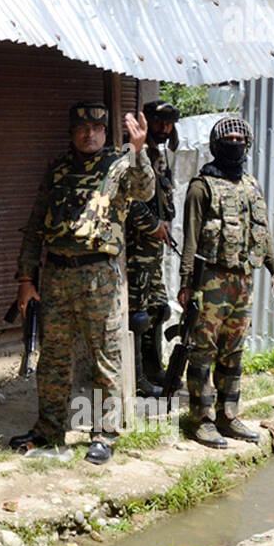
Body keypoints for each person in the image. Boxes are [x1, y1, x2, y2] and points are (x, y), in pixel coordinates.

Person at [11, 102, 154, 466]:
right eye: (81, 128)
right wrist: (27, 279)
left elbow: (146, 191)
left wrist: (140, 151)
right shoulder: (58, 170)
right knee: (54, 359)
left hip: (100, 276)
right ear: (72, 131)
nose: (89, 134)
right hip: (57, 274)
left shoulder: (121, 166)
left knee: (105, 356)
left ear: (106, 133)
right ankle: (49, 430)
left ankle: (105, 434)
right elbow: (34, 227)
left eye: (97, 128)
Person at [178, 116, 274, 448]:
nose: (235, 144)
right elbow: (191, 239)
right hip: (210, 281)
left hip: (244, 282)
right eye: (230, 139)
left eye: (241, 139)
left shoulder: (252, 186)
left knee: (234, 352)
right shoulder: (201, 187)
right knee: (203, 351)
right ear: (216, 145)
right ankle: (201, 419)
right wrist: (186, 285)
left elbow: (263, 233)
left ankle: (229, 415)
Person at [124, 100, 181, 397]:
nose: (164, 129)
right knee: (137, 315)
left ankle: (152, 368)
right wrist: (153, 225)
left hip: (153, 248)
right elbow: (129, 199)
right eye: (159, 123)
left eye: (169, 124)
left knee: (158, 309)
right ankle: (136, 381)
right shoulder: (133, 153)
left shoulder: (160, 156)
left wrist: (166, 225)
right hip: (134, 247)